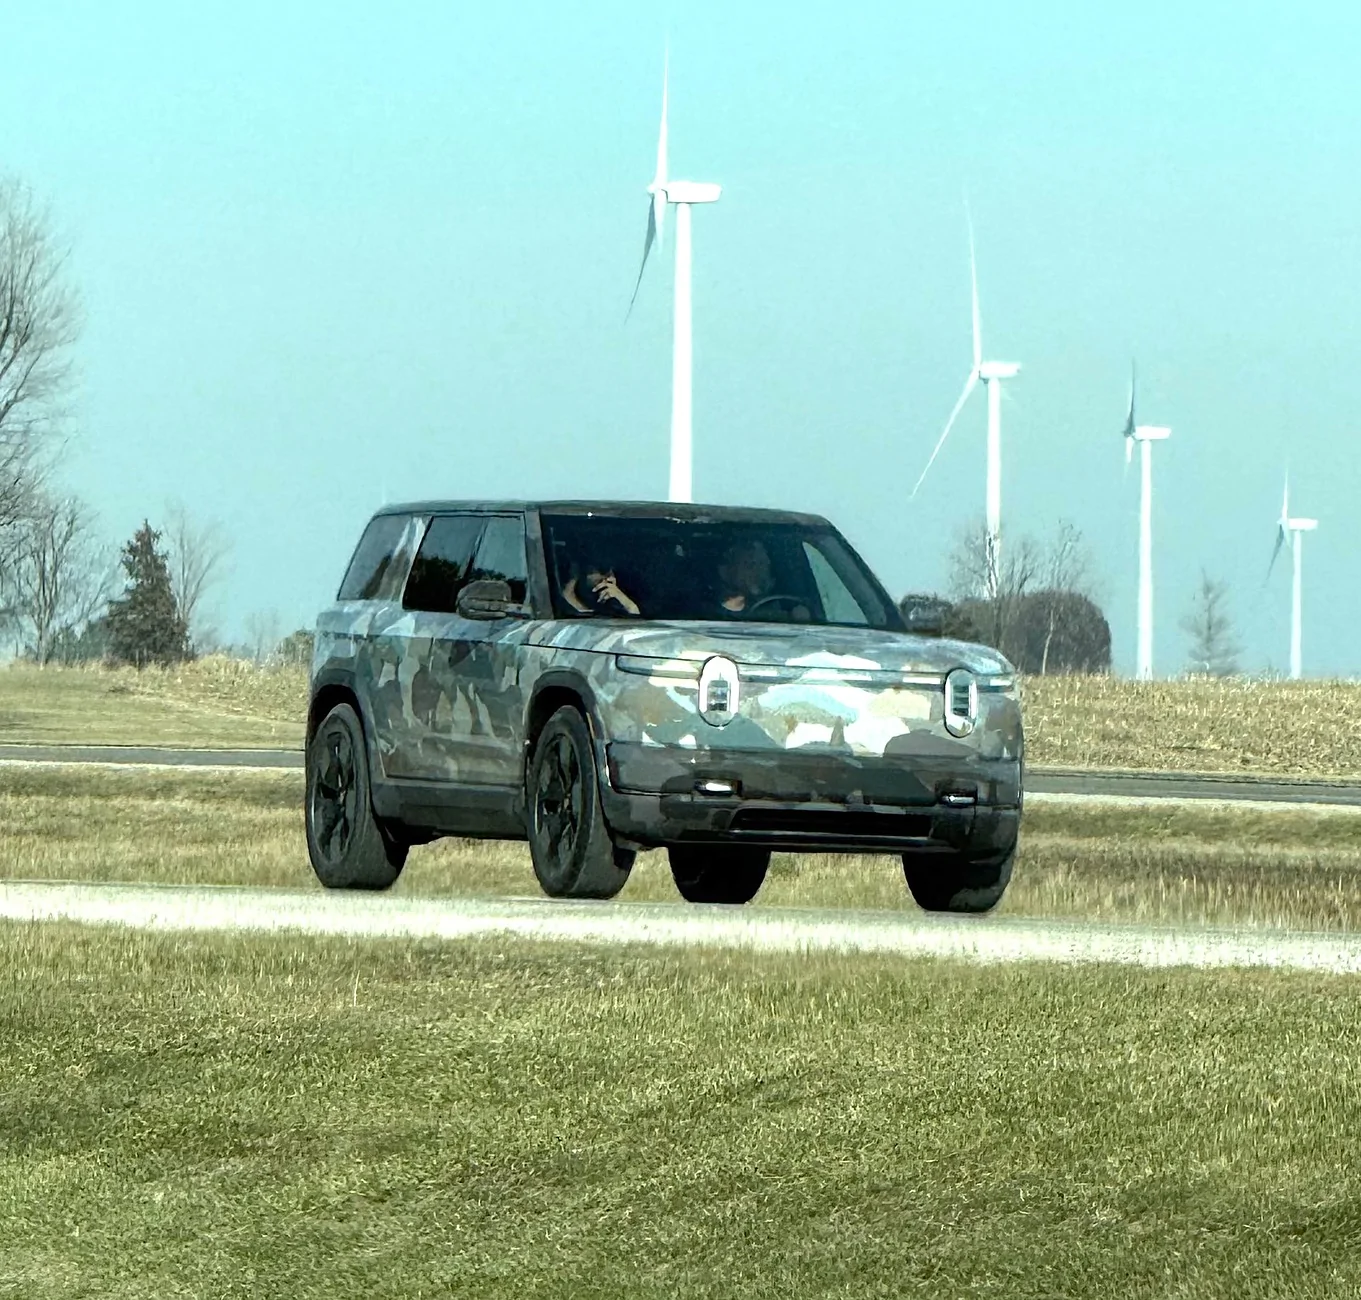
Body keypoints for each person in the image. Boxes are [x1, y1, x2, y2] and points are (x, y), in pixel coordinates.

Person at [562, 556, 641, 616]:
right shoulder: (558, 610)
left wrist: (627, 603)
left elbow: (637, 630)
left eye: (611, 572)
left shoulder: (614, 609)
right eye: (602, 571)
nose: (609, 578)